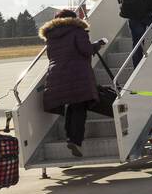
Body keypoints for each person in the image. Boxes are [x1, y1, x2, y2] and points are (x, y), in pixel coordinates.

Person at [40, 10, 106, 159]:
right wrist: (97, 45)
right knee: (79, 107)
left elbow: (51, 56)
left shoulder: (51, 36)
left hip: (56, 75)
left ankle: (70, 137)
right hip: (77, 74)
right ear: (73, 19)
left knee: (70, 107)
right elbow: (86, 50)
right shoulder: (77, 30)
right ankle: (75, 140)